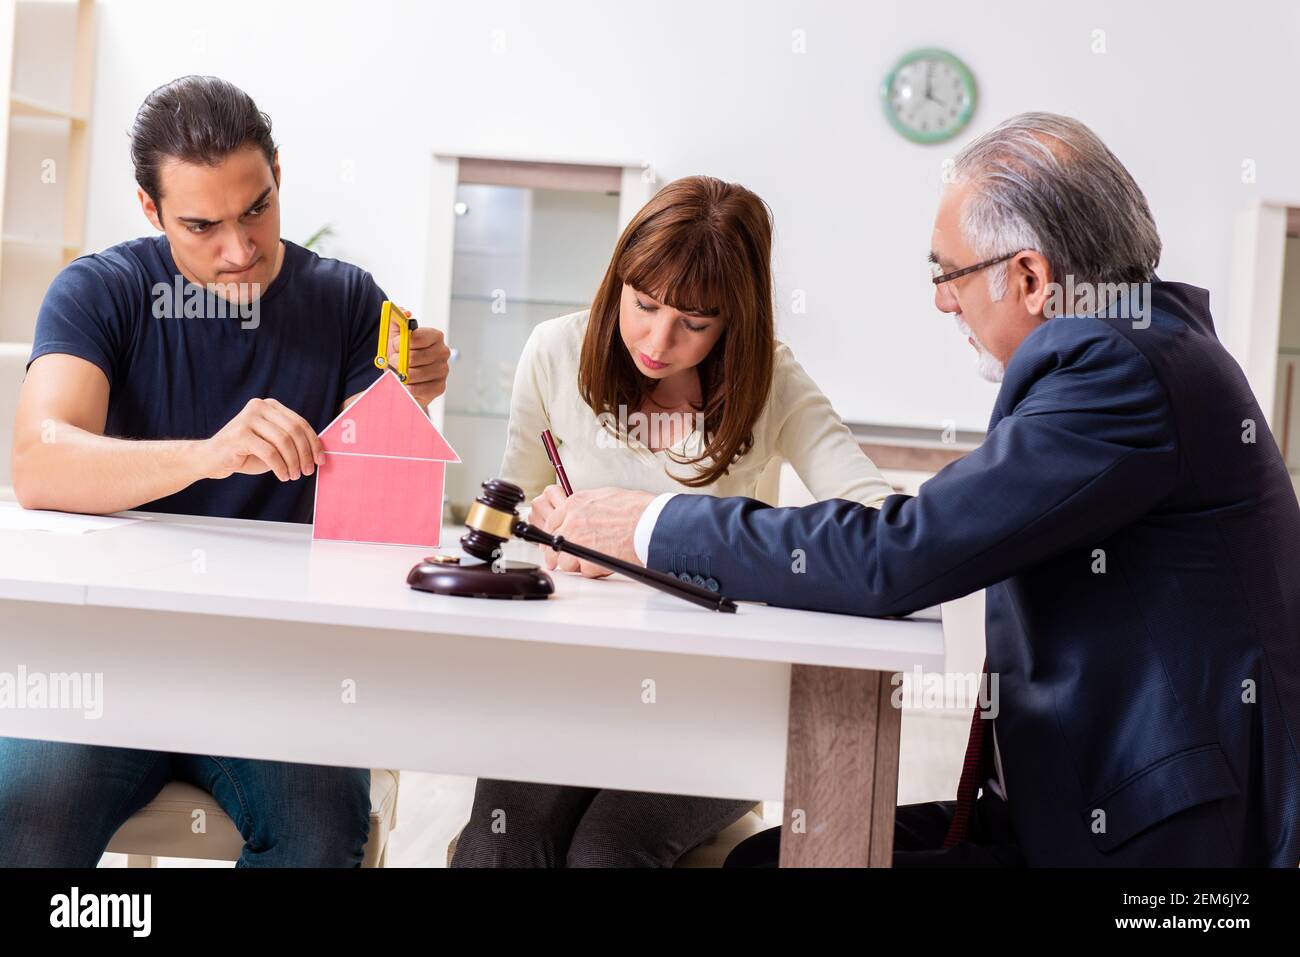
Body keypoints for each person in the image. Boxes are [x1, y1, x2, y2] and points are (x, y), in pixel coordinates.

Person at [531, 114, 1300, 867]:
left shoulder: (1118, 373)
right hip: (1082, 797)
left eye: (948, 273)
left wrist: (649, 525)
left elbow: (894, 551)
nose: (942, 300)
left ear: (1030, 278)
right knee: (775, 854)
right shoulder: (1145, 345)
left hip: (1149, 840)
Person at [2, 75, 451, 867]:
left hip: (274, 667)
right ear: (151, 210)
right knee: (22, 816)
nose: (240, 250)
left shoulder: (346, 304)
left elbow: (379, 504)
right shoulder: (100, 292)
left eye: (257, 209)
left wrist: (410, 397)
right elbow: (40, 459)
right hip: (112, 657)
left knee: (318, 838)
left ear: (277, 171)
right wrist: (209, 453)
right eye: (202, 225)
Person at [451, 175, 893, 867]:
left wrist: (644, 536)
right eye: (644, 303)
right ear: (617, 281)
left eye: (694, 322)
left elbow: (878, 520)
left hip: (714, 696)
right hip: (569, 681)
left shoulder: (770, 380)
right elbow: (508, 509)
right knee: (498, 843)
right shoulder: (554, 352)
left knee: (604, 853)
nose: (658, 340)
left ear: (735, 321)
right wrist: (540, 527)